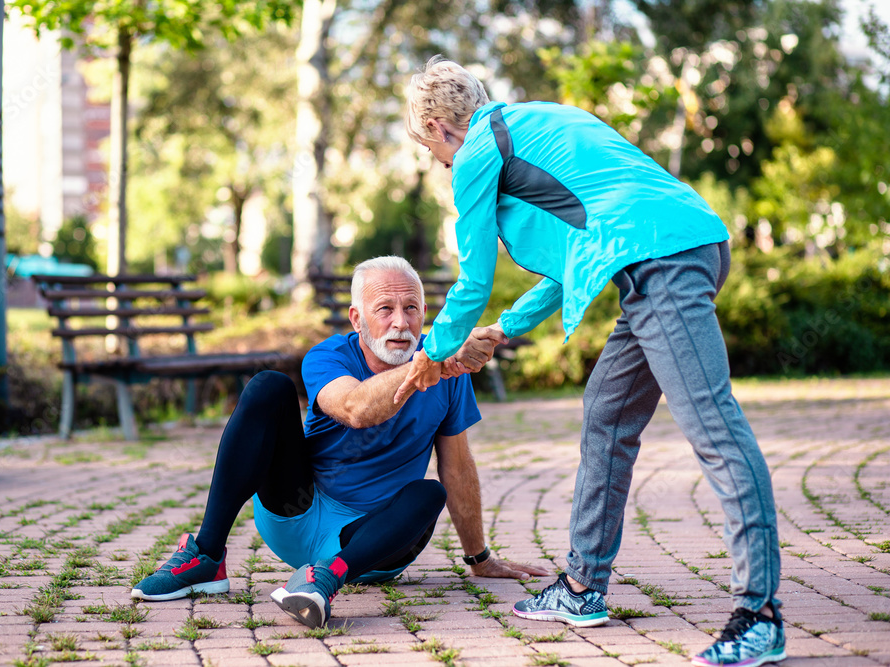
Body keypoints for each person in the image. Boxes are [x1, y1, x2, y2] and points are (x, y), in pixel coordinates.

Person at [396, 56, 785, 667]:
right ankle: (581, 587)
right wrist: (503, 331)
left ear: (440, 127)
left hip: (661, 260)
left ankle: (759, 615)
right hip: (671, 254)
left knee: (715, 428)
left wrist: (430, 357)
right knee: (606, 410)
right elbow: (568, 262)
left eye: (431, 150)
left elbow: (471, 281)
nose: (439, 164)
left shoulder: (475, 151)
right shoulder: (541, 119)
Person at [131, 255, 547, 629]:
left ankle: (325, 580)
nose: (401, 323)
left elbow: (456, 466)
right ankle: (206, 556)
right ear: (356, 319)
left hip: (374, 542)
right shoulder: (329, 357)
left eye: (411, 309)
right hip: (299, 511)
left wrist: (478, 557)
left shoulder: (448, 375)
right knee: (268, 387)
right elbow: (355, 408)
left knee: (428, 493)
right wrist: (434, 362)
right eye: (384, 309)